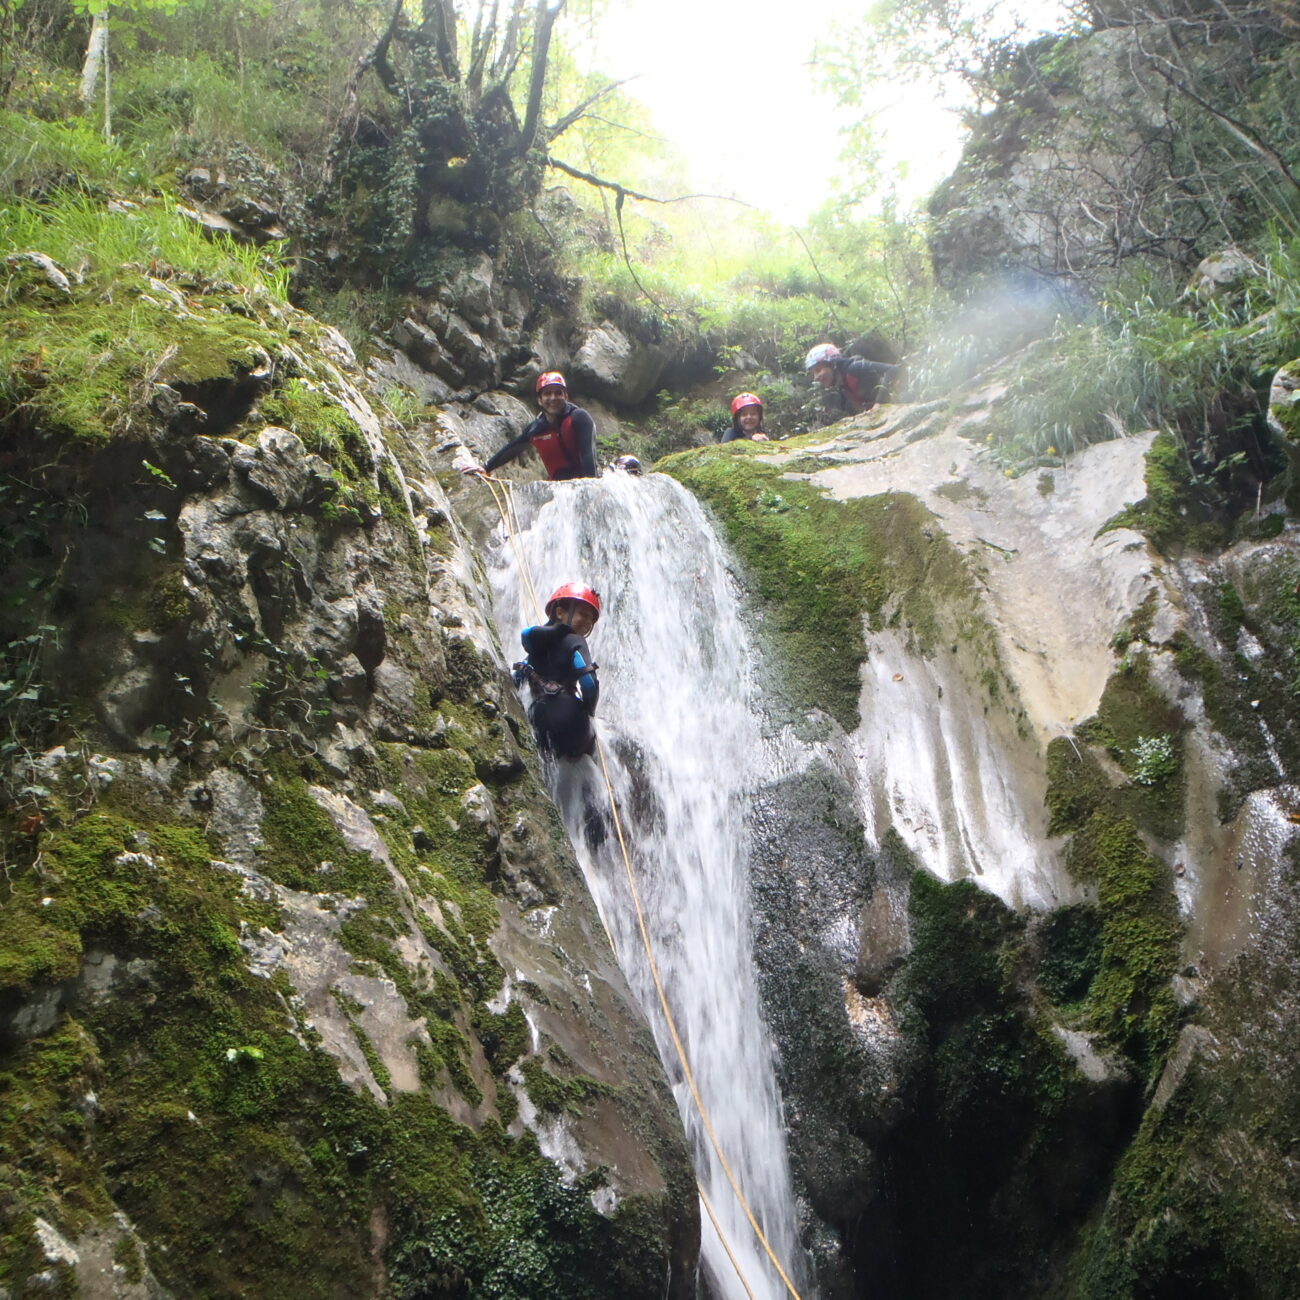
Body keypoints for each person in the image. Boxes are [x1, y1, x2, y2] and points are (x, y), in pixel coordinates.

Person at [514, 583, 602, 761]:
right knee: (586, 754)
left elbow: (518, 679)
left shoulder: (534, 647)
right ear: (560, 612)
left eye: (591, 620)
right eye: (583, 614)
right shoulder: (576, 641)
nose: (587, 622)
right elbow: (589, 683)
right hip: (569, 716)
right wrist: (590, 711)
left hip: (536, 715)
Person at [463, 372, 598, 481]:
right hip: (559, 491)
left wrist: (591, 488)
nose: (553, 398)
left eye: (558, 393)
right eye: (547, 393)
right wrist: (486, 468)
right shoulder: (536, 428)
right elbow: (512, 448)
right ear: (539, 400)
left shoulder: (579, 417)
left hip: (585, 483)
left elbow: (588, 454)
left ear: (566, 397)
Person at [804, 343, 897, 414]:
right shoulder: (843, 386)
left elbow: (893, 370)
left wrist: (879, 403)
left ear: (833, 364)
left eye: (819, 370)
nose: (816, 377)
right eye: (814, 373)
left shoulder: (855, 368)